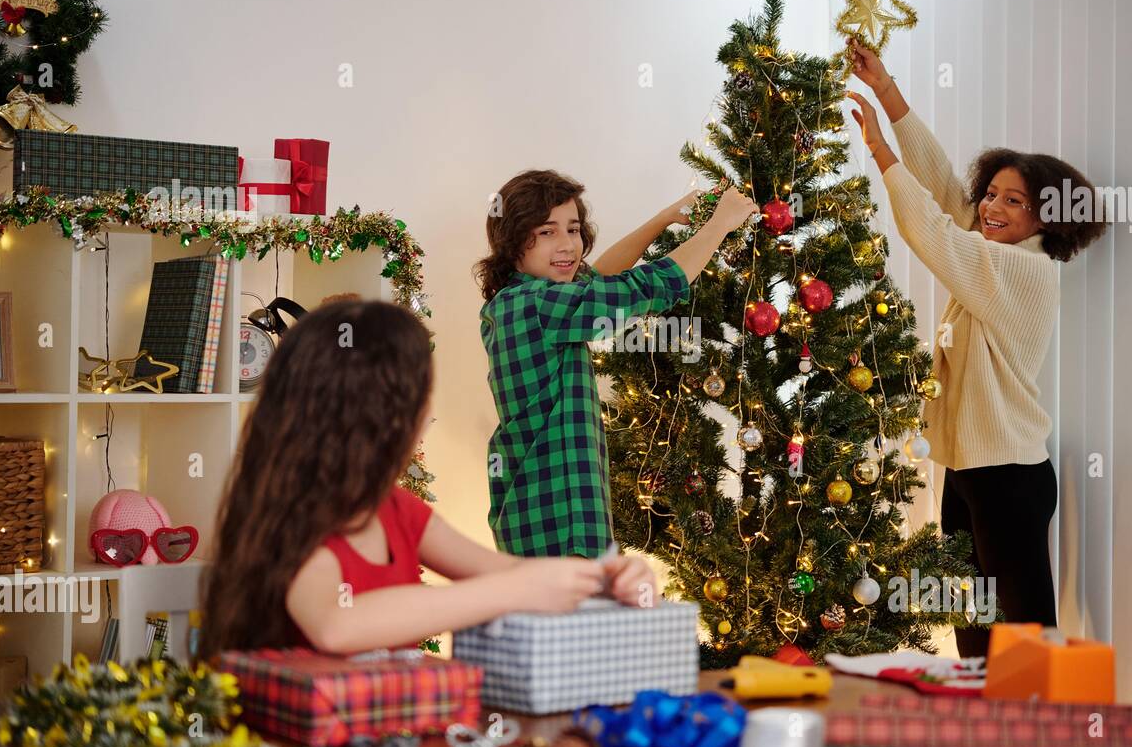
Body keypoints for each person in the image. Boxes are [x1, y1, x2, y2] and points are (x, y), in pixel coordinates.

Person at [197, 299, 655, 658]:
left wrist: (604, 579)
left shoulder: (396, 509)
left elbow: (510, 572)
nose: (429, 413)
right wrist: (507, 592)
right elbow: (337, 625)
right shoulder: (292, 515)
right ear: (378, 415)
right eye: (420, 397)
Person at [845, 37, 1108, 657]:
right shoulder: (997, 251)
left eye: (1013, 201)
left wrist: (880, 150)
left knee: (1022, 638)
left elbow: (929, 229)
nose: (990, 206)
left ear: (1046, 220)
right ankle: (983, 734)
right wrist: (886, 89)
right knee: (973, 624)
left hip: (1008, 476)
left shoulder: (1021, 270)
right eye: (991, 192)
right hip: (968, 471)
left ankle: (1039, 742)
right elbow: (941, 186)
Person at [475, 169, 757, 557]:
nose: (567, 245)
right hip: (556, 522)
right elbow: (640, 289)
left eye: (573, 230)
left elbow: (601, 276)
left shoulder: (524, 301)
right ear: (512, 242)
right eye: (546, 232)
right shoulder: (534, 305)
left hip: (544, 518)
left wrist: (663, 219)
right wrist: (718, 227)